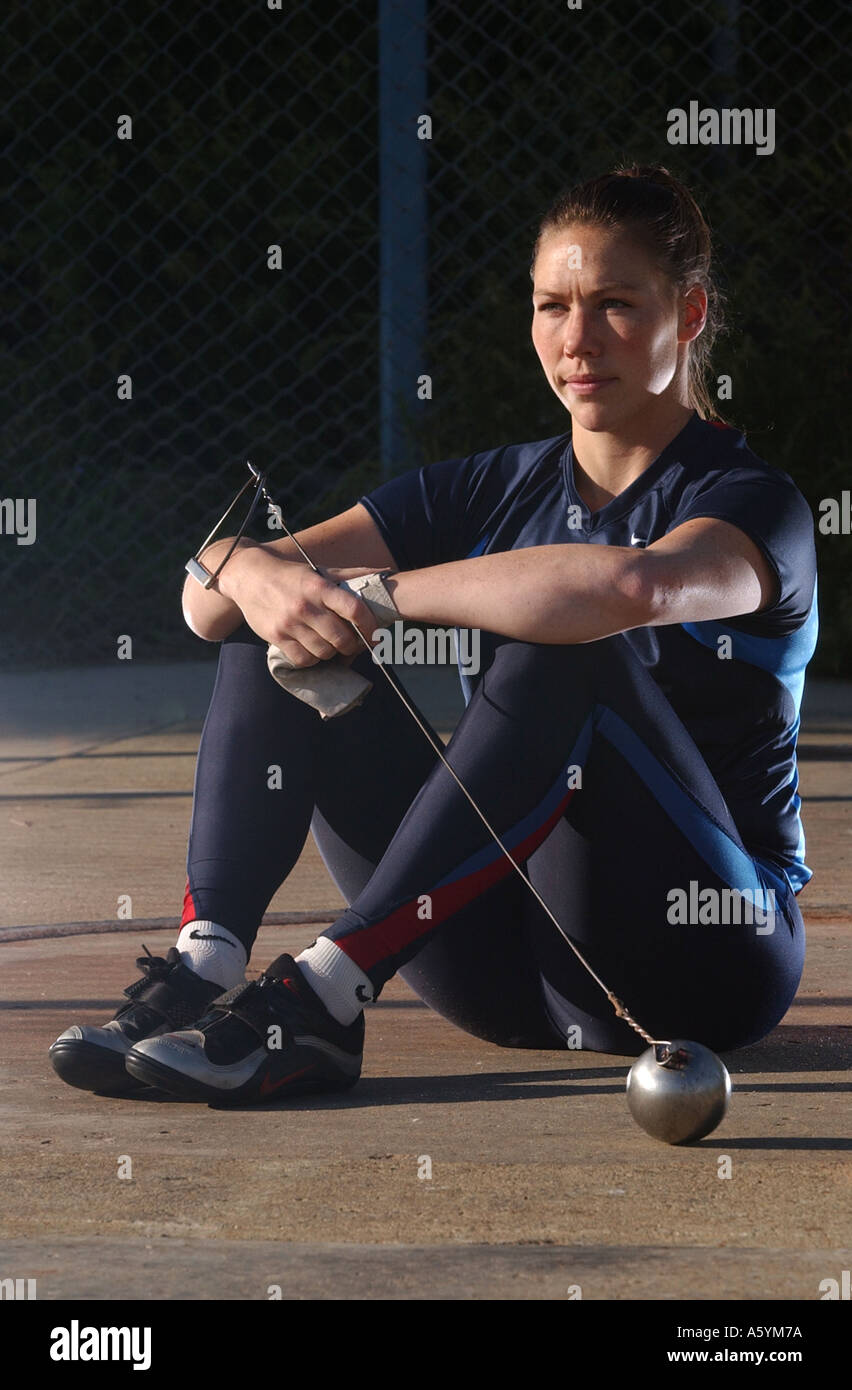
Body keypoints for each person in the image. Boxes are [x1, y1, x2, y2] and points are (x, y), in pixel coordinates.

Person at [50, 163, 817, 1107]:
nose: (577, 340)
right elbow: (204, 601)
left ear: (689, 316)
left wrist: (379, 594)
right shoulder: (493, 485)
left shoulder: (753, 503)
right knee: (278, 625)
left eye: (615, 304)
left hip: (702, 957)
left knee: (559, 648)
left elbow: (625, 584)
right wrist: (251, 569)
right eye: (551, 306)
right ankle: (207, 961)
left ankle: (323, 992)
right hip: (501, 973)